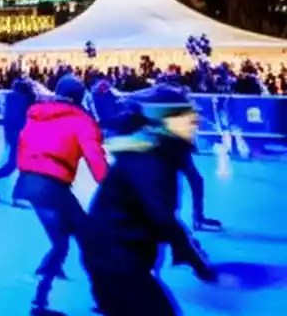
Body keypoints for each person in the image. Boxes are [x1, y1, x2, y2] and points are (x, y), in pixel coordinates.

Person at [81, 86, 223, 316]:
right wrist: (192, 257)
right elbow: (160, 215)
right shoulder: (148, 159)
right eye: (186, 116)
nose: (195, 121)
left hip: (116, 252)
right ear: (165, 121)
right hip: (113, 256)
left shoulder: (159, 153)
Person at [14, 75, 108, 316]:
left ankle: (39, 302)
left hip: (29, 182)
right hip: (52, 186)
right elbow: (96, 160)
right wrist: (113, 187)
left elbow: (23, 145)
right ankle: (105, 298)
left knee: (61, 242)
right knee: (89, 240)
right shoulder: (81, 120)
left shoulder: (36, 113)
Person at [0, 78, 37, 204]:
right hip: (21, 137)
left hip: (13, 136)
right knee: (15, 164)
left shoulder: (11, 98)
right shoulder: (28, 99)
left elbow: (9, 120)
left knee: (17, 164)